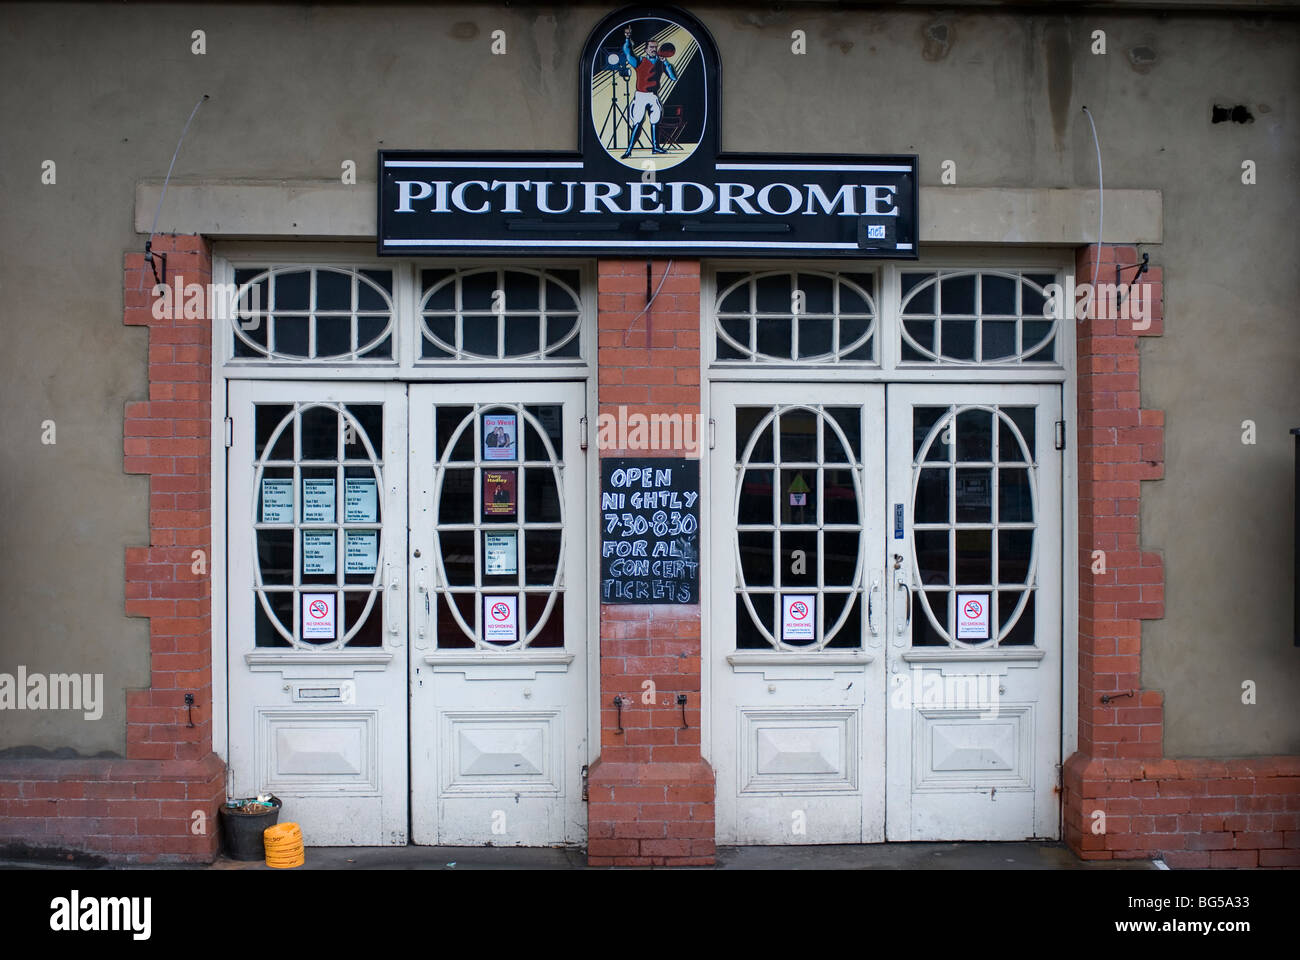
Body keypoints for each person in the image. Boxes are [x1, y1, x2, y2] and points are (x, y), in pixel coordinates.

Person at [621, 25, 677, 159]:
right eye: (651, 47)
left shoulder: (661, 62)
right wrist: (628, 39)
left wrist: (667, 63)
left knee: (655, 121)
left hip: (653, 96)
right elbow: (628, 52)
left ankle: (656, 147)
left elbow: (673, 77)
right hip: (640, 96)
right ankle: (629, 150)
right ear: (646, 49)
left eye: (655, 47)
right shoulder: (639, 61)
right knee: (638, 122)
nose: (654, 49)